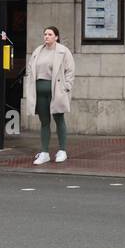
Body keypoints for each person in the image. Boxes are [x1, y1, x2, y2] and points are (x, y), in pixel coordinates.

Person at [23, 26, 76, 165]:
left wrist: (67, 87)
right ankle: (45, 152)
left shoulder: (63, 51)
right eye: (45, 34)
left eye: (50, 34)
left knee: (59, 119)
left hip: (56, 91)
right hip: (39, 92)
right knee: (44, 122)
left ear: (56, 37)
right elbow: (30, 69)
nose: (46, 36)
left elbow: (70, 70)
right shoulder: (37, 51)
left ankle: (62, 150)